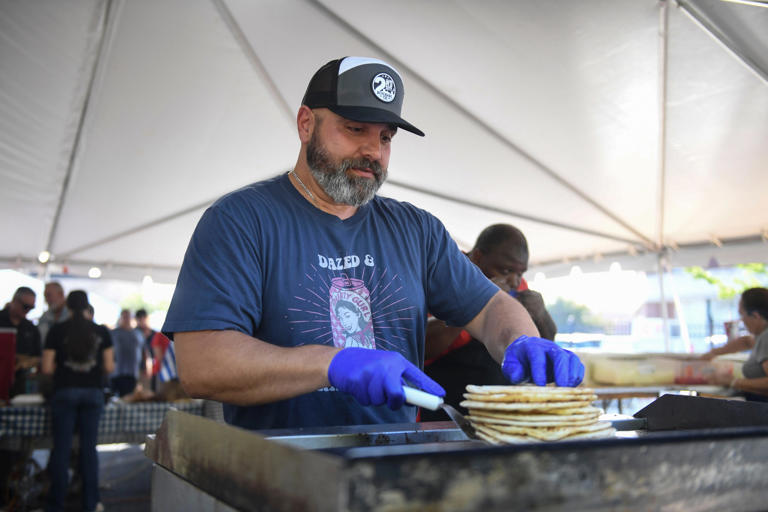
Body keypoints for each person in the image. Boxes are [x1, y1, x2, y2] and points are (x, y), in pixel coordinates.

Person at [162, 56, 584, 431]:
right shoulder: (241, 220)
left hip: (395, 464)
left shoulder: (416, 229)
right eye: (355, 129)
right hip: (278, 468)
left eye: (385, 137)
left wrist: (521, 341)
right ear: (306, 124)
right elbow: (202, 365)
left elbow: (491, 307)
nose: (373, 151)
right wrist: (331, 363)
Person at [422, 224, 558, 420]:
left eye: (520, 273)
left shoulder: (516, 285)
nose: (514, 281)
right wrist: (476, 303)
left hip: (499, 407)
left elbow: (545, 341)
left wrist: (541, 313)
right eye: (506, 270)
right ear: (477, 257)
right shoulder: (445, 271)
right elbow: (421, 344)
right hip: (442, 405)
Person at [42, 290, 113, 512]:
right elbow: (109, 367)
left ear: (68, 307)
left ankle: (56, 504)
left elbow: (46, 368)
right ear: (86, 305)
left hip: (65, 391)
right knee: (89, 450)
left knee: (61, 450)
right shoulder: (101, 331)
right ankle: (90, 503)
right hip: (92, 392)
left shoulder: (57, 330)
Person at [703, 287, 768, 401]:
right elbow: (746, 342)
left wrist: (733, 382)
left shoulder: (765, 337)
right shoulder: (761, 335)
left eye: (742, 315)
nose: (742, 320)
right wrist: (714, 352)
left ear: (755, 316)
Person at [0, 286, 42, 397]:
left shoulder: (31, 328)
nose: (28, 311)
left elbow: (38, 356)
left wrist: (25, 362)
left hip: (21, 381)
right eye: (25, 306)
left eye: (31, 308)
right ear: (15, 301)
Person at [109, 309, 144, 397]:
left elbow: (144, 350)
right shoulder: (113, 333)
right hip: (116, 372)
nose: (126, 319)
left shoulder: (138, 333)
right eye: (124, 317)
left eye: (128, 317)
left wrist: (146, 365)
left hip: (133, 372)